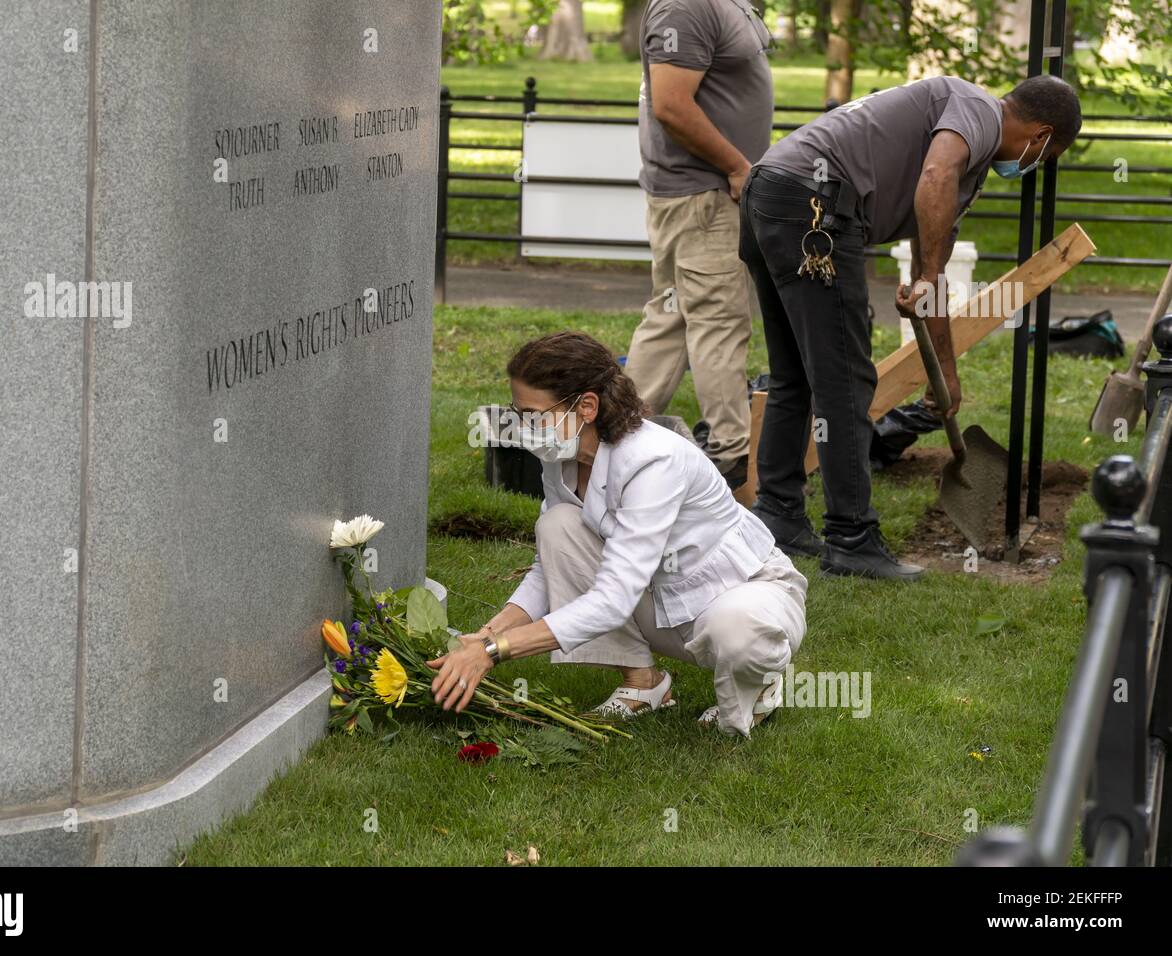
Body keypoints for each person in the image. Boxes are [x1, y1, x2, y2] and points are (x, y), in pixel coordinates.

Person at [738, 74, 1082, 579]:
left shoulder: (964, 159)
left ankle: (780, 514)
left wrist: (945, 372)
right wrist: (923, 275)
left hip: (771, 189)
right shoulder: (977, 112)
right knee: (846, 381)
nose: (1033, 165)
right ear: (1041, 136)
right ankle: (851, 538)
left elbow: (933, 265)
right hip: (815, 206)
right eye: (1044, 159)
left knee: (795, 372)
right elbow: (936, 176)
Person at [428, 331, 808, 738]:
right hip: (663, 600)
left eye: (533, 415)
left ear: (586, 406)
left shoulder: (653, 461)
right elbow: (550, 567)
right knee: (556, 527)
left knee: (739, 632)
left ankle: (758, 687)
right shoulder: (563, 456)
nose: (523, 427)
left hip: (742, 595)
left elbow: (612, 600)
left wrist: (493, 653)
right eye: (518, 413)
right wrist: (487, 634)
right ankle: (644, 684)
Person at [623, 0, 775, 492]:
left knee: (672, 316)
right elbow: (670, 104)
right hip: (702, 195)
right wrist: (736, 165)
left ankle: (614, 438)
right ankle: (732, 454)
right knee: (717, 318)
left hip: (701, 195)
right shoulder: (684, 6)